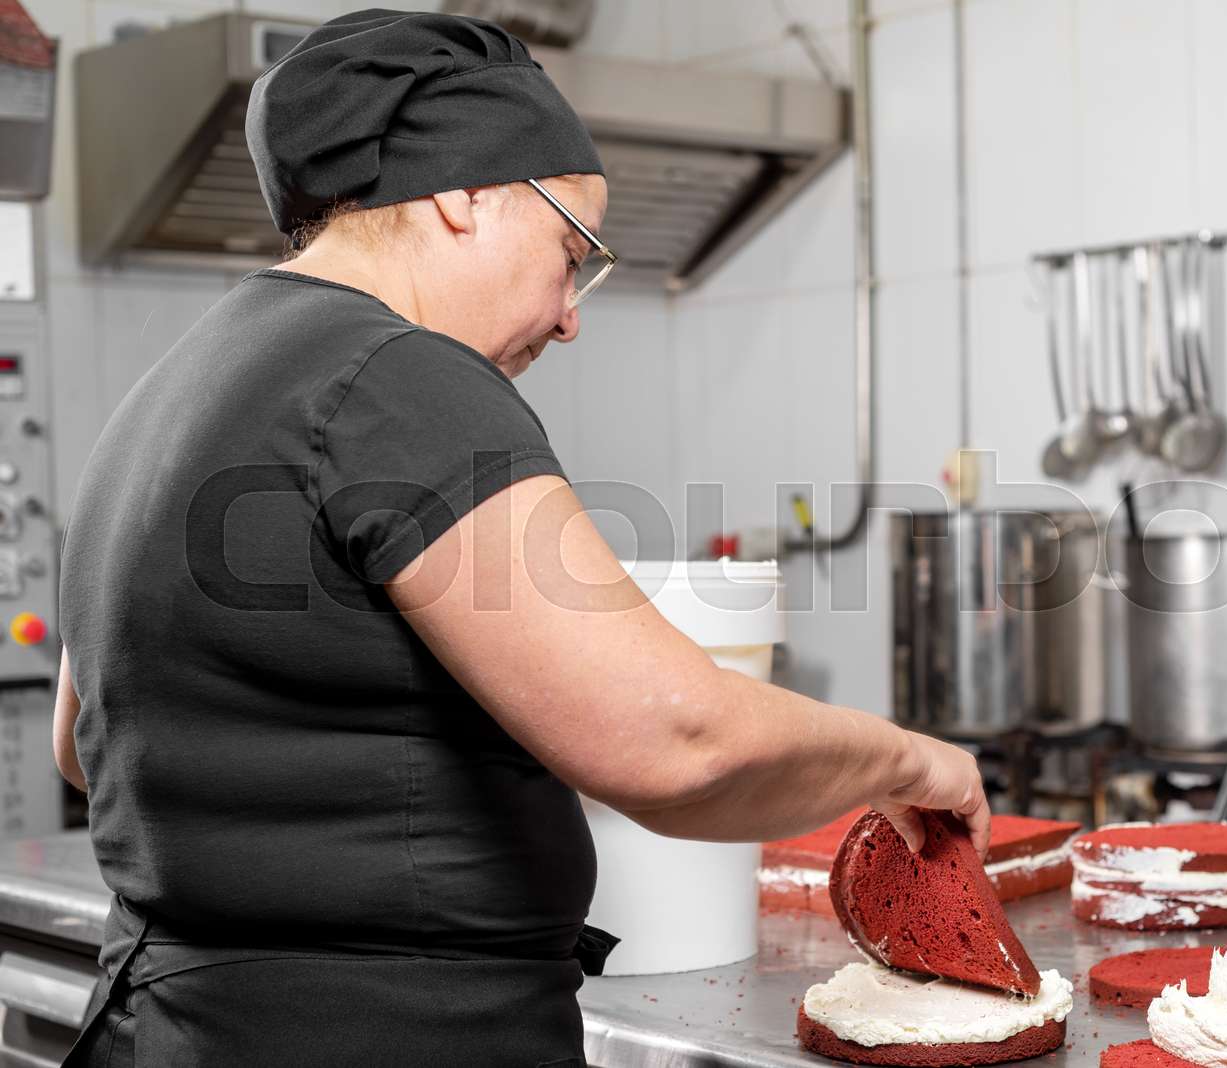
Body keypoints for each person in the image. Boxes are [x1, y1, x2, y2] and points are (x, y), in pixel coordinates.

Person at [52, 10, 987, 1065]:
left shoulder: (173, 385)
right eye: (572, 249)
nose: (570, 312)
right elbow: (674, 744)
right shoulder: (399, 377)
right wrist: (907, 760)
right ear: (467, 193)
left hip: (177, 1028)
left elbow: (83, 750)